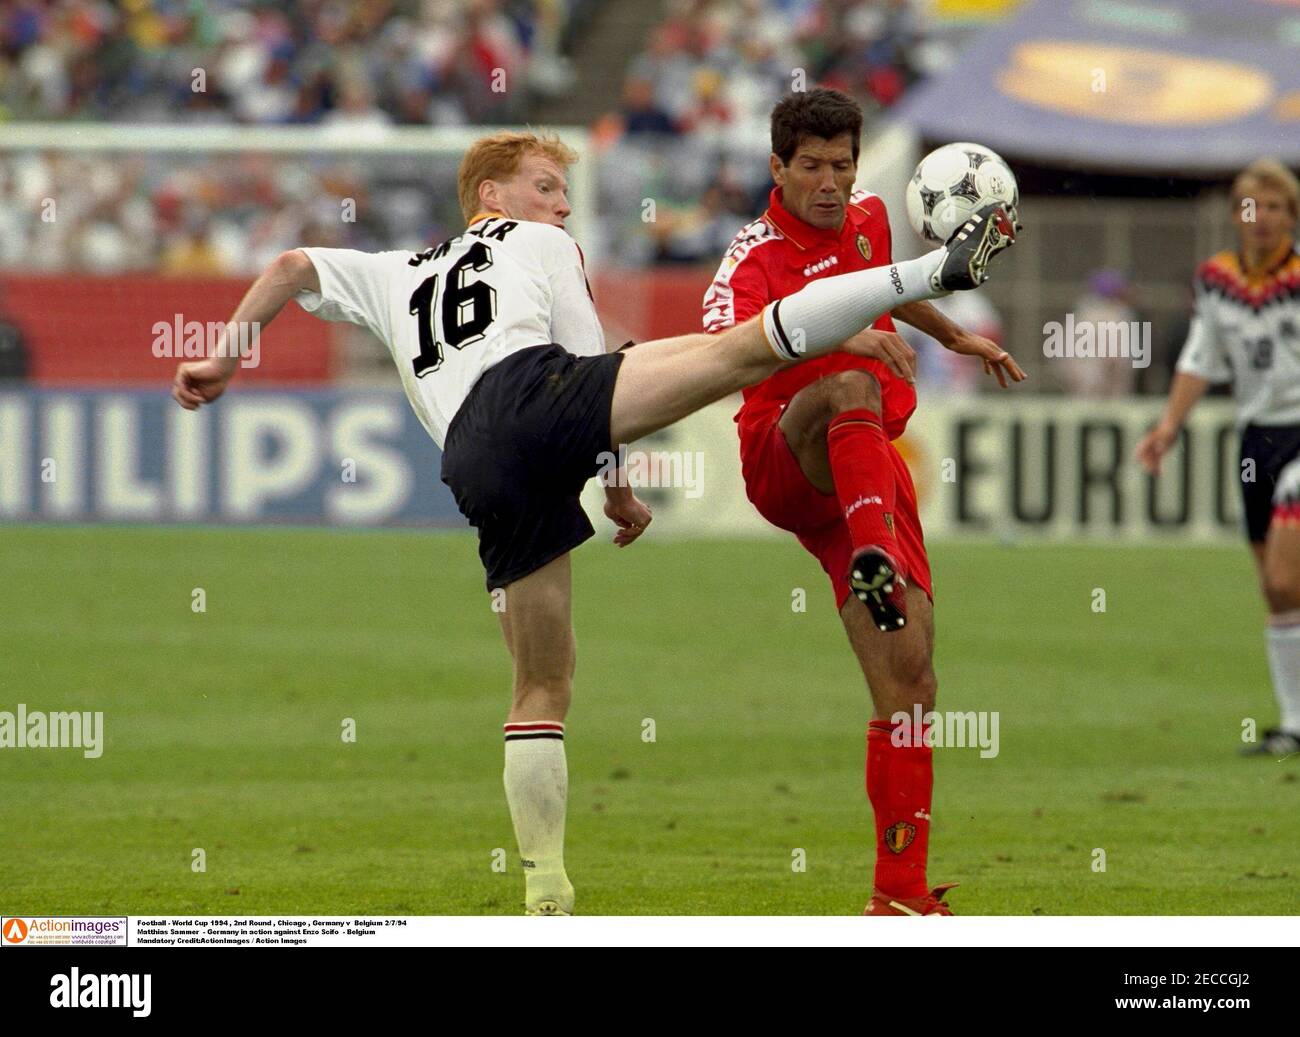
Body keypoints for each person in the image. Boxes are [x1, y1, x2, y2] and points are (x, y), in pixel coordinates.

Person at [172, 130, 1016, 915]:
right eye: (548, 186)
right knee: (741, 352)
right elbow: (586, 362)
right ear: (491, 194)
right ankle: (936, 272)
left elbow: (288, 265)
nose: (564, 205)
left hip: (474, 458)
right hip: (538, 392)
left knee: (541, 686)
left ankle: (546, 893)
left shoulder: (393, 271)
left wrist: (223, 355)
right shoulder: (537, 242)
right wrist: (614, 482)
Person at [703, 89, 1025, 915]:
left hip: (866, 474)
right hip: (787, 450)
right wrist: (848, 336)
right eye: (810, 166)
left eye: (842, 165)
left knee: (913, 686)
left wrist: (952, 333)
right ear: (777, 167)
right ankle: (873, 552)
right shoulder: (749, 253)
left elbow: (880, 285)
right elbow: (721, 350)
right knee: (850, 384)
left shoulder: (872, 218)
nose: (830, 183)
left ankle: (900, 895)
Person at [1136, 157, 1300, 758]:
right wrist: (1169, 426)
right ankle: (1293, 725)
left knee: (1287, 576)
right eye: (1251, 208)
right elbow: (1202, 358)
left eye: (1277, 208)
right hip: (1256, 438)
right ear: (1236, 216)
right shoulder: (1217, 280)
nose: (1263, 220)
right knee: (1277, 591)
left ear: (1291, 215)